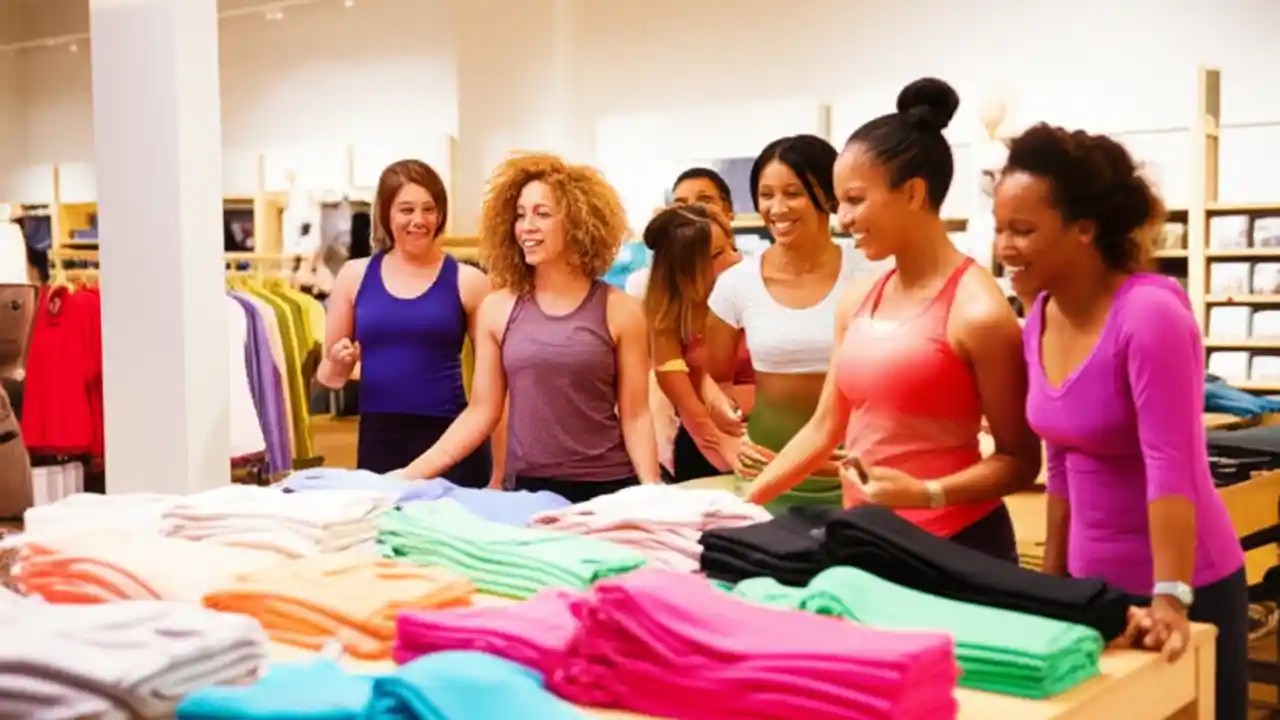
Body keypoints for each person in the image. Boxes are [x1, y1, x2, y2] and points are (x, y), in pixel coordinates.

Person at [994, 122, 1247, 718]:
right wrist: (1053, 585)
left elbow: (1171, 463)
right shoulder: (1040, 317)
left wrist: (1171, 596)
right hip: (1095, 592)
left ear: (1084, 228)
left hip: (1184, 583)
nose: (1004, 247)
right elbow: (1060, 460)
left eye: (1023, 230)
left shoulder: (1149, 316)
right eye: (999, 228)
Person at [743, 78, 1042, 562]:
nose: (842, 218)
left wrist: (928, 494)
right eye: (840, 202)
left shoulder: (978, 311)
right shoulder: (860, 299)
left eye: (855, 200)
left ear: (914, 193)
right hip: (869, 539)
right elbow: (824, 427)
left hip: (956, 546)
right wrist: (744, 504)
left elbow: (1020, 461)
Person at [398, 153, 661, 502]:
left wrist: (652, 490)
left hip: (608, 486)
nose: (527, 226)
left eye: (542, 214)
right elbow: (481, 412)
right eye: (520, 215)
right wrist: (408, 475)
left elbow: (636, 415)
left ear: (578, 222)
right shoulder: (497, 309)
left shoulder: (621, 310)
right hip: (527, 489)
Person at [704, 134, 880, 512]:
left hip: (858, 473)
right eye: (766, 195)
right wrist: (727, 439)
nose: (777, 208)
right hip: (767, 473)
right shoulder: (736, 283)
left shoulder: (871, 274)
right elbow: (712, 378)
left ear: (829, 197)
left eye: (793, 193)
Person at [316, 159, 495, 486]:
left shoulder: (469, 281)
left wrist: (499, 475)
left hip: (451, 440)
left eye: (429, 209)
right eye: (406, 210)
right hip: (379, 440)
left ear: (441, 214)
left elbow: (496, 387)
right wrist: (339, 364)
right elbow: (329, 377)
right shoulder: (354, 276)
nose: (419, 220)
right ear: (386, 213)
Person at [642, 203, 754, 481]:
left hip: (775, 437)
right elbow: (694, 416)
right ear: (685, 270)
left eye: (733, 247)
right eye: (717, 254)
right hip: (712, 452)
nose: (735, 259)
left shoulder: (756, 296)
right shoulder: (668, 324)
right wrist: (728, 447)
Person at [625, 167, 738, 298]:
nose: (692, 210)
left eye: (705, 201)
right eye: (681, 204)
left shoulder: (749, 274)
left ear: (729, 212)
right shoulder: (644, 284)